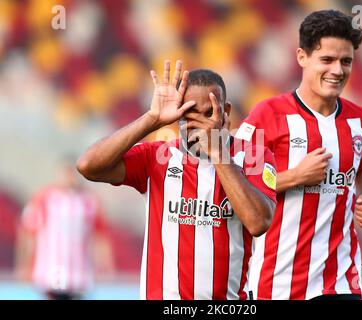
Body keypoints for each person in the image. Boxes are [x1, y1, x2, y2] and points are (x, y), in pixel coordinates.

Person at [76, 60, 277, 300]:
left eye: (209, 113)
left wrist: (218, 154)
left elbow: (258, 222)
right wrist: (151, 119)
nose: (200, 125)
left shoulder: (254, 156)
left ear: (226, 112)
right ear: (178, 114)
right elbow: (88, 166)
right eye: (190, 113)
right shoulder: (158, 158)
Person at [236, 10, 362, 300]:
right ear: (302, 57)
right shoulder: (267, 115)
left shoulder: (361, 121)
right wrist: (295, 177)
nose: (338, 70)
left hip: (342, 280)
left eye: (346, 61)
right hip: (278, 283)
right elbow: (231, 187)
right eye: (326, 60)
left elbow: (359, 168)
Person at [15, 159, 114, 300]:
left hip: (79, 273)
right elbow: (27, 232)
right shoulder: (44, 198)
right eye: (67, 173)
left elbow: (100, 235)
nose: (70, 177)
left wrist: (105, 264)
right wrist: (23, 265)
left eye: (73, 173)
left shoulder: (89, 200)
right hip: (51, 271)